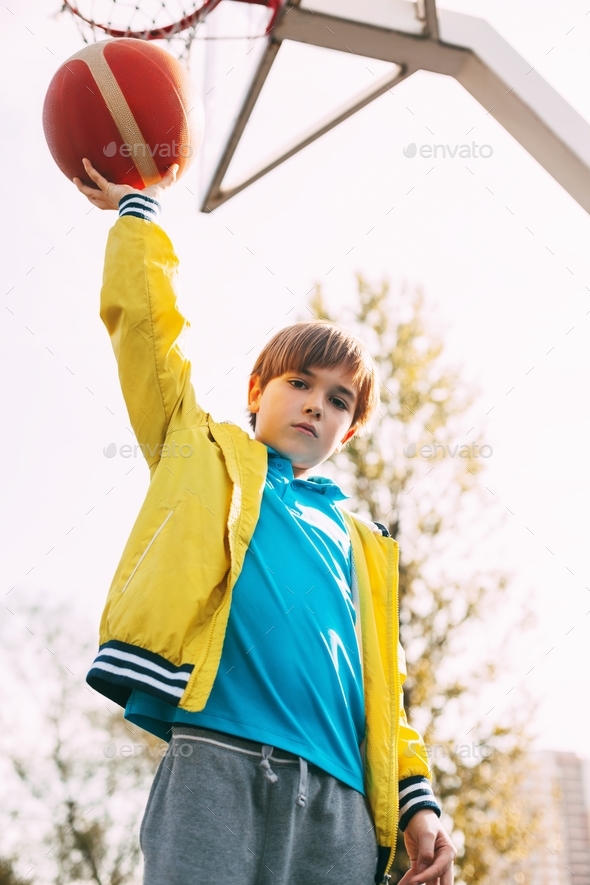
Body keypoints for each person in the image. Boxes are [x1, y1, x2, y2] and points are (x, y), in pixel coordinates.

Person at [74, 157, 456, 885]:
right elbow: (148, 336)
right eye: (301, 382)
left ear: (349, 430)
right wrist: (137, 217)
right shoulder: (202, 451)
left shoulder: (360, 540)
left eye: (340, 400)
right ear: (258, 390)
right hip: (218, 756)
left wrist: (418, 804)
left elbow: (386, 693)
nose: (318, 403)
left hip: (340, 798)